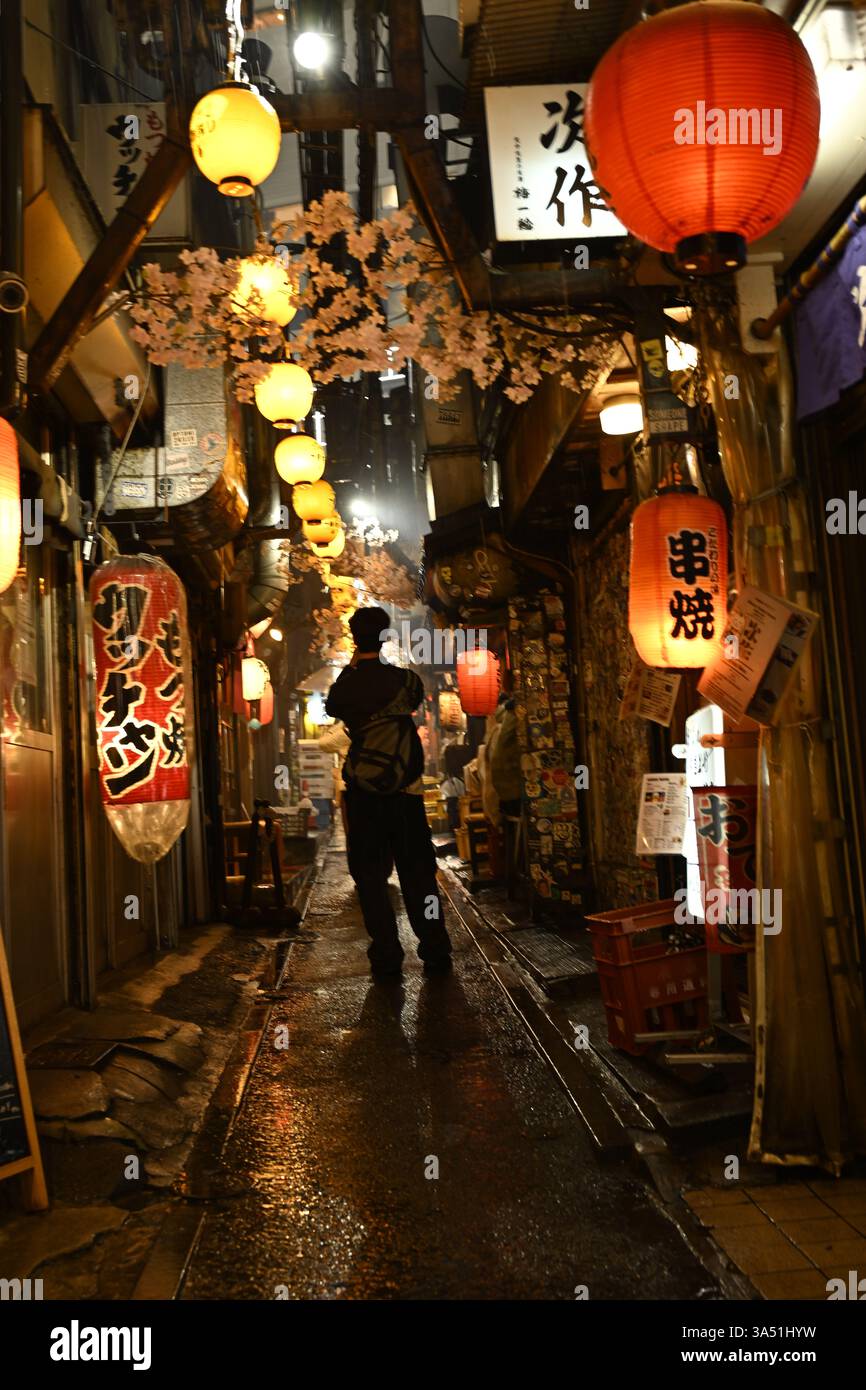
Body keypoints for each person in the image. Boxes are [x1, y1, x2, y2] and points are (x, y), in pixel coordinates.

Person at [325, 607, 453, 977]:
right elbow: (413, 702)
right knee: (418, 876)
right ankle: (434, 950)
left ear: (354, 639)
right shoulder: (407, 682)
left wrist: (353, 666)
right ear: (385, 638)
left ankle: (386, 956)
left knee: (370, 879)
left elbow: (334, 708)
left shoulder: (345, 686)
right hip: (406, 797)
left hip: (365, 798)